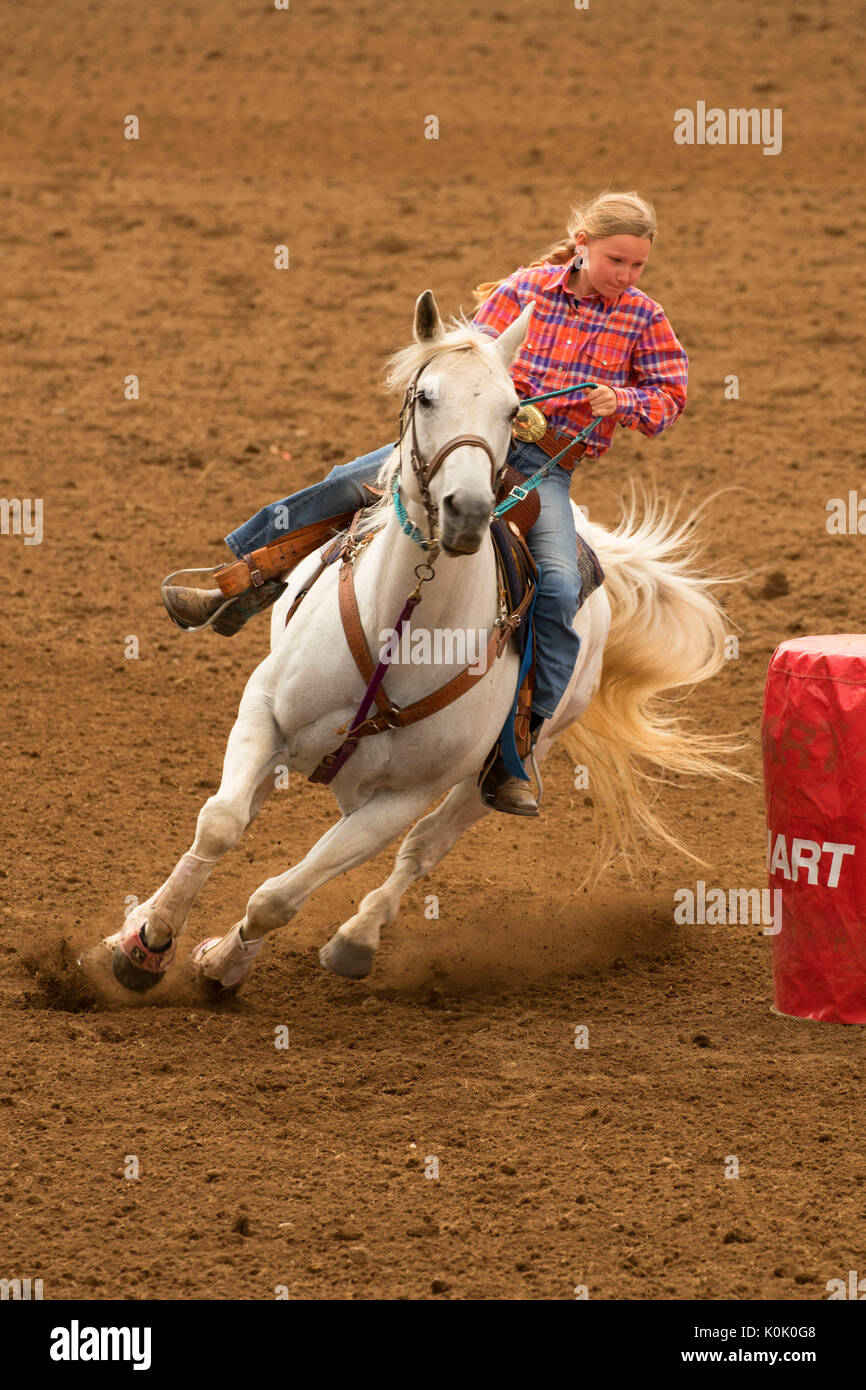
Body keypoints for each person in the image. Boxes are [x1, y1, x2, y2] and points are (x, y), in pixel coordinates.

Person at [163, 190, 688, 815]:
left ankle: (515, 745)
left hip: (544, 469)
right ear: (582, 246)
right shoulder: (528, 290)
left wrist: (621, 403)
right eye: (615, 261)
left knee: (557, 584)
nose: (626, 277)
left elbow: (668, 397)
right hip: (467, 440)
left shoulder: (644, 319)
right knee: (342, 486)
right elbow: (465, 360)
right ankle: (241, 580)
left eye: (637, 267)